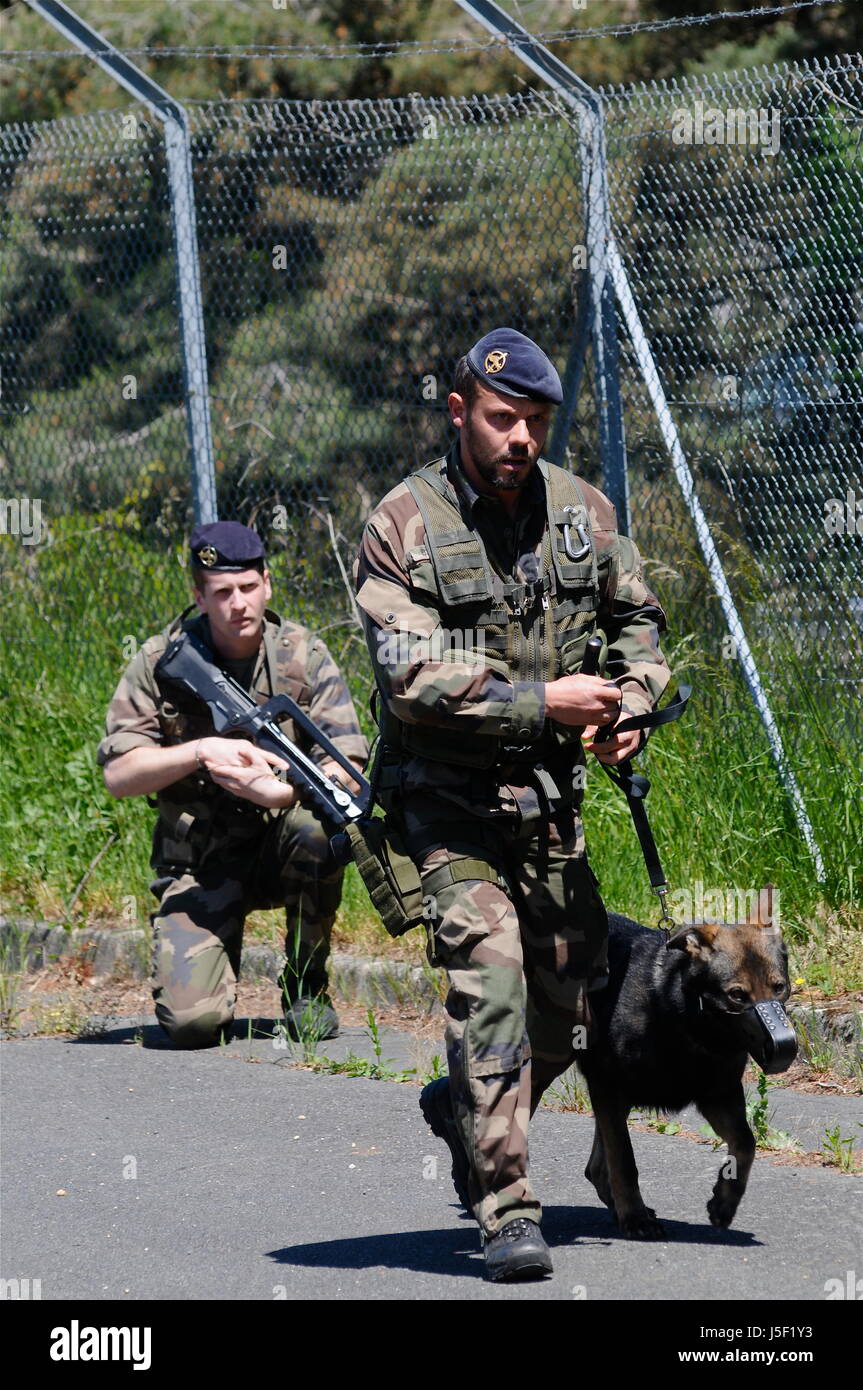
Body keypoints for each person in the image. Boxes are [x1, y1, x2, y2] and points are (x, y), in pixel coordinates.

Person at [354, 327, 671, 1281]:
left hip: (546, 805)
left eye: (536, 420)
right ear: (460, 412)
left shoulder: (582, 511)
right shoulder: (402, 524)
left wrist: (631, 708)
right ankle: (504, 1206)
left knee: (571, 997)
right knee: (490, 983)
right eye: (502, 419)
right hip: (442, 805)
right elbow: (408, 674)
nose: (521, 438)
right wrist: (542, 700)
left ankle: (467, 1106)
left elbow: (638, 624)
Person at [98, 521, 368, 1049]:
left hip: (279, 846)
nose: (238, 604)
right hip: (200, 862)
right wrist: (201, 751)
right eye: (221, 592)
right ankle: (216, 955)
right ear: (199, 596)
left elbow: (348, 768)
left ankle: (305, 986)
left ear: (267, 583)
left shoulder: (303, 657)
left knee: (320, 829)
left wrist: (283, 789)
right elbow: (118, 775)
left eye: (248, 587)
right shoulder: (160, 661)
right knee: (192, 1026)